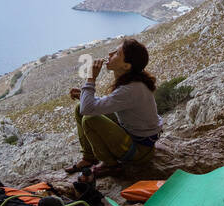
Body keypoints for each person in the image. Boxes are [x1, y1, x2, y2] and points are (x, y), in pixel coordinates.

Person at [66, 38, 162, 177]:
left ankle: (110, 165)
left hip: (140, 150)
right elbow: (98, 105)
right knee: (80, 108)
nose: (110, 54)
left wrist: (91, 78)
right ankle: (89, 158)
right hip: (131, 134)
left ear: (126, 66)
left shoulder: (131, 89)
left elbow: (89, 110)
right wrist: (84, 96)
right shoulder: (131, 82)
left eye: (117, 53)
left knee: (89, 119)